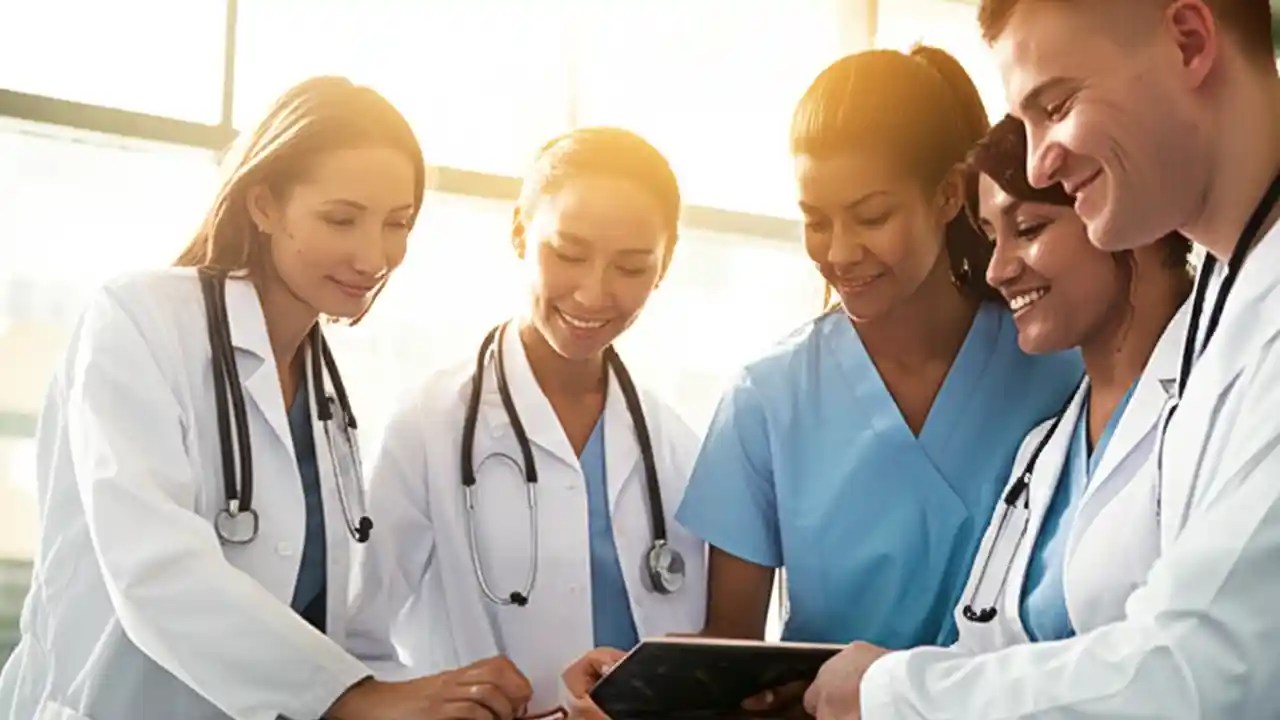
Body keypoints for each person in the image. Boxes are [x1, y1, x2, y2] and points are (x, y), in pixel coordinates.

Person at [564, 46, 1082, 719]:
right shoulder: (767, 398)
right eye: (816, 221)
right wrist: (628, 684)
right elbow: (731, 657)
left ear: (949, 193)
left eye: (870, 218)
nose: (838, 252)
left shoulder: (1057, 370)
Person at [799, 1, 1280, 717]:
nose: (1037, 160)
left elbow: (1208, 675)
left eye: (1055, 105)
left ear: (1188, 41)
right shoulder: (1230, 290)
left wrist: (891, 693)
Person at [0, 77, 531, 720]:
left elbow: (320, 629)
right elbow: (155, 570)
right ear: (264, 205)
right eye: (341, 219)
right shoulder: (140, 319)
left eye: (398, 224)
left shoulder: (327, 401)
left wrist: (457, 698)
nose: (374, 256)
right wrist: (362, 700)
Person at [801, 113, 1193, 717]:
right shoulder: (1045, 448)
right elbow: (989, 657)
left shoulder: (1219, 404)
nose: (997, 268)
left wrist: (894, 688)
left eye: (1028, 228)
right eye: (990, 235)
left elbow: (1185, 670)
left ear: (1121, 212)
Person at [344, 127, 707, 716]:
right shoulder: (432, 427)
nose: (594, 292)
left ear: (665, 265)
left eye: (632, 266)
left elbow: (699, 650)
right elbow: (356, 640)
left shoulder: (676, 447)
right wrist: (439, 703)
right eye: (568, 255)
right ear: (519, 232)